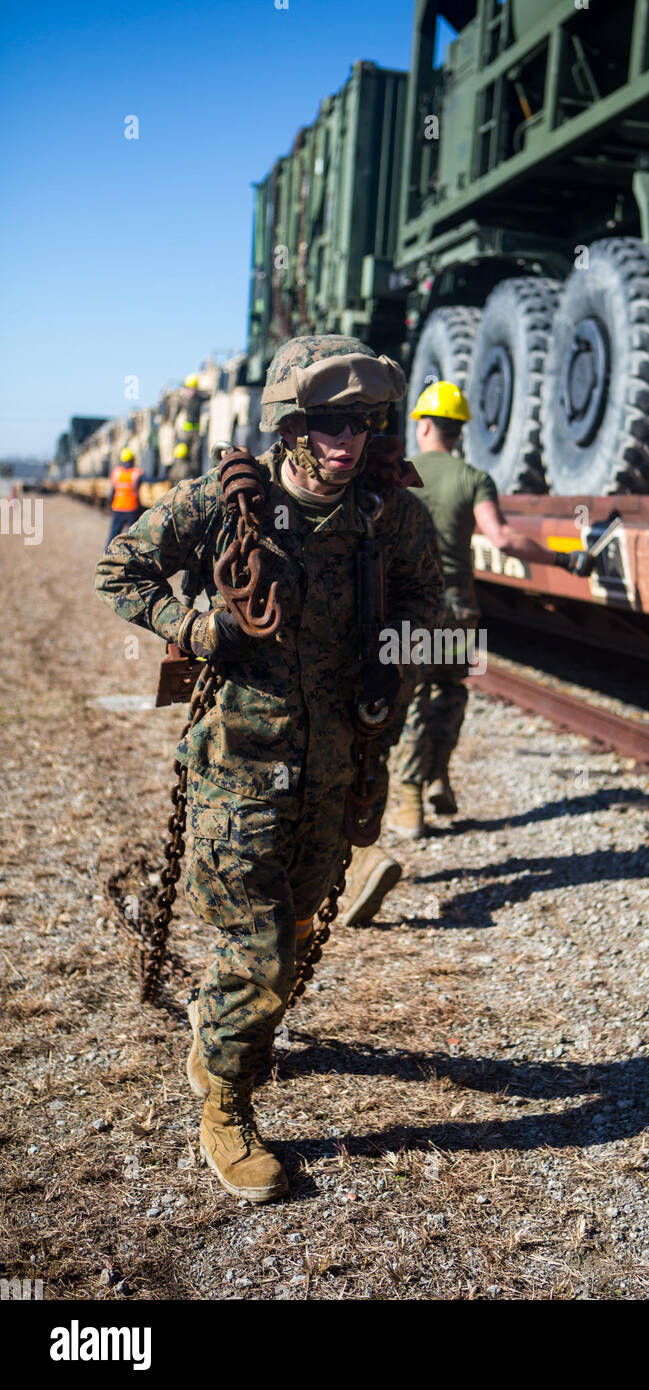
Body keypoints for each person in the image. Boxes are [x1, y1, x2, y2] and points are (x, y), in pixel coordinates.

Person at [94, 335, 441, 1203]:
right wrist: (196, 628)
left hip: (335, 766)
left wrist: (393, 660)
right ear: (290, 426)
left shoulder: (388, 514)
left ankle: (217, 1038)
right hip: (238, 771)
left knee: (286, 942)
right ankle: (228, 1112)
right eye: (327, 424)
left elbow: (428, 604)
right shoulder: (229, 504)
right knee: (259, 952)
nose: (347, 441)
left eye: (361, 423)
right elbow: (122, 568)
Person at [387, 380, 581, 840]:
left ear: (425, 426)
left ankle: (411, 802)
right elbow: (504, 539)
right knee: (451, 692)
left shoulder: (399, 473)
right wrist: (564, 558)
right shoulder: (474, 478)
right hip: (459, 604)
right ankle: (439, 776)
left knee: (413, 695)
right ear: (460, 432)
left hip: (408, 606)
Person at [105, 447, 143, 549]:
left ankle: (108, 552)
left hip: (118, 508)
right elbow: (150, 479)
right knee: (132, 536)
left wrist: (109, 506)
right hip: (131, 508)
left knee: (114, 534)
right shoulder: (136, 473)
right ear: (132, 460)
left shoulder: (116, 473)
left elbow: (112, 491)